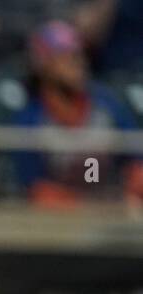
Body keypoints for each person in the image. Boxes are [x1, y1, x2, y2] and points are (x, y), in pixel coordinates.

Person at [14, 20, 143, 210]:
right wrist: (87, 208)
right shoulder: (30, 121)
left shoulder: (108, 106)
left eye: (78, 54)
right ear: (43, 65)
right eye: (66, 56)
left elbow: (137, 165)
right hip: (58, 225)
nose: (78, 63)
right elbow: (37, 191)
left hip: (114, 214)